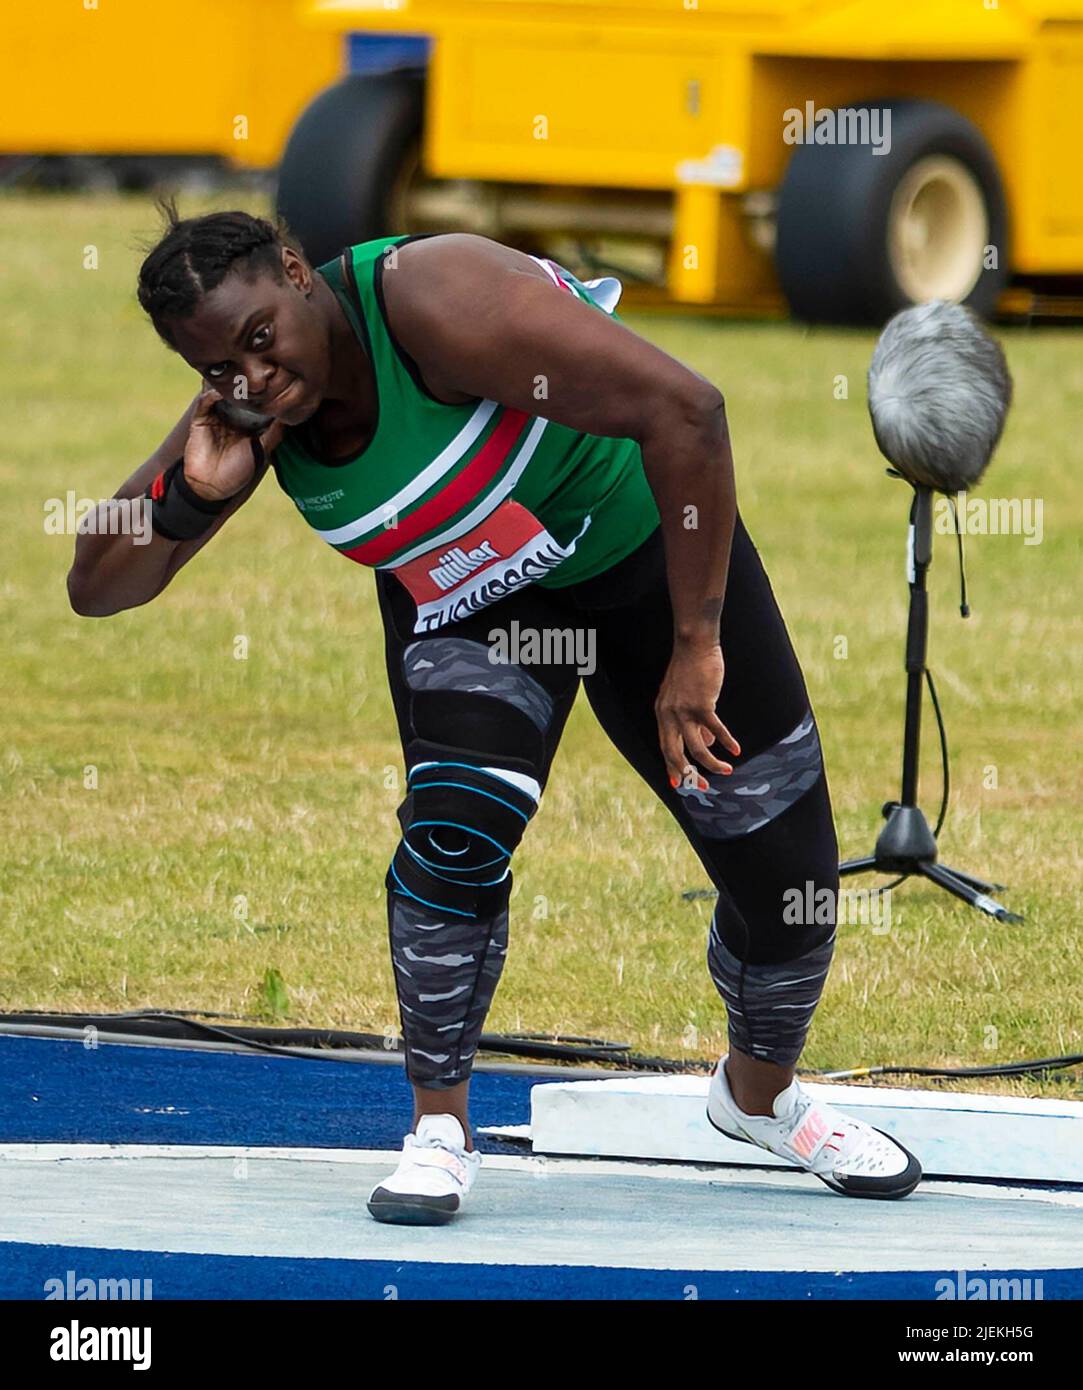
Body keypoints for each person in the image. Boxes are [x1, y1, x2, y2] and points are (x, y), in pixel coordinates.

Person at [67, 206, 922, 1224]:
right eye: (218, 369)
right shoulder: (253, 411)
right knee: (455, 829)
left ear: (297, 273)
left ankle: (760, 1097)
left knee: (789, 883)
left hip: (646, 562)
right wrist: (190, 500)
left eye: (260, 340)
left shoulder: (438, 301)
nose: (253, 379)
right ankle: (440, 1128)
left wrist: (696, 645)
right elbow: (96, 582)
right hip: (477, 605)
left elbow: (688, 409)